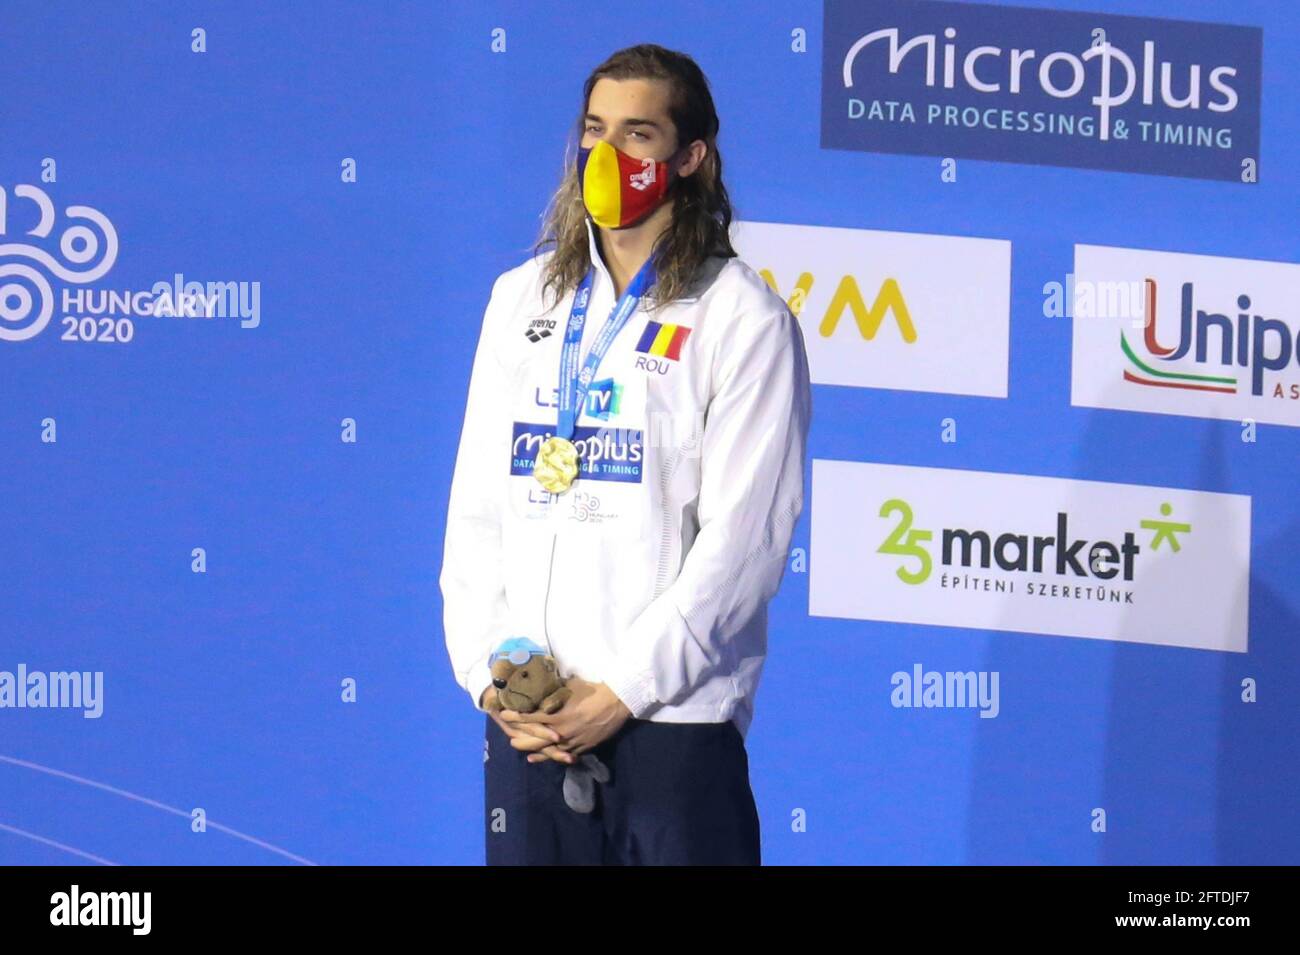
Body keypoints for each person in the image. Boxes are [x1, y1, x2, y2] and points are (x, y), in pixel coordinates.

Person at [440, 43, 811, 865]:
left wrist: (622, 694)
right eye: (593, 130)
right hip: (532, 731)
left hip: (671, 732)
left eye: (637, 134)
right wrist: (492, 678)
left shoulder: (741, 319)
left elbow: (744, 549)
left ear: (690, 158)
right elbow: (475, 515)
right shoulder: (520, 300)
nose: (607, 156)